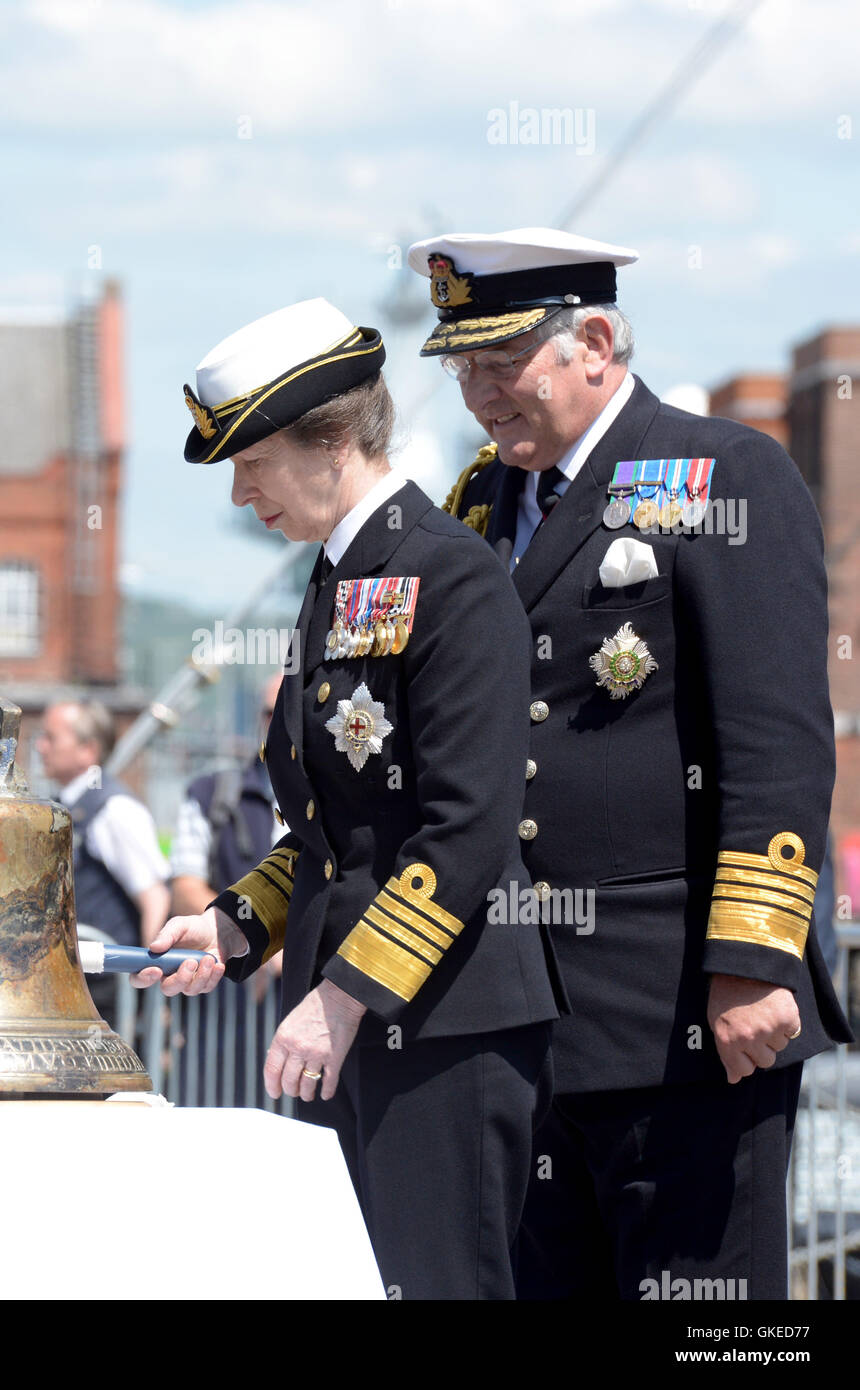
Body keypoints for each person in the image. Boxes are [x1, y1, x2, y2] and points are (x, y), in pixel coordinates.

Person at [411, 226, 853, 1299]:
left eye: (500, 363)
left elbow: (774, 736)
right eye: (462, 367)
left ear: (596, 342)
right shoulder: (482, 501)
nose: (479, 393)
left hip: (685, 1013)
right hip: (517, 1012)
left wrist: (753, 957)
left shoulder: (719, 473)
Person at [135, 297, 564, 1298]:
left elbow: (464, 829)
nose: (243, 498)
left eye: (252, 466)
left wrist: (343, 992)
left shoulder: (448, 574)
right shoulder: (339, 580)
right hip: (358, 1020)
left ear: (329, 444)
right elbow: (337, 831)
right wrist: (236, 924)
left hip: (444, 1021)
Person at [169, 672, 285, 1106]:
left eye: (288, 711)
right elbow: (184, 888)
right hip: (225, 1009)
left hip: (310, 1012)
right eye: (270, 712)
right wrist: (255, 941)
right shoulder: (211, 793)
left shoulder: (337, 803)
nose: (278, 723)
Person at [38, 700, 170, 1027]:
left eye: (51, 738)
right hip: (76, 986)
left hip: (104, 993)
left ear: (87, 749)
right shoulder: (67, 805)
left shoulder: (115, 809)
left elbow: (155, 896)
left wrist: (148, 990)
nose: (40, 747)